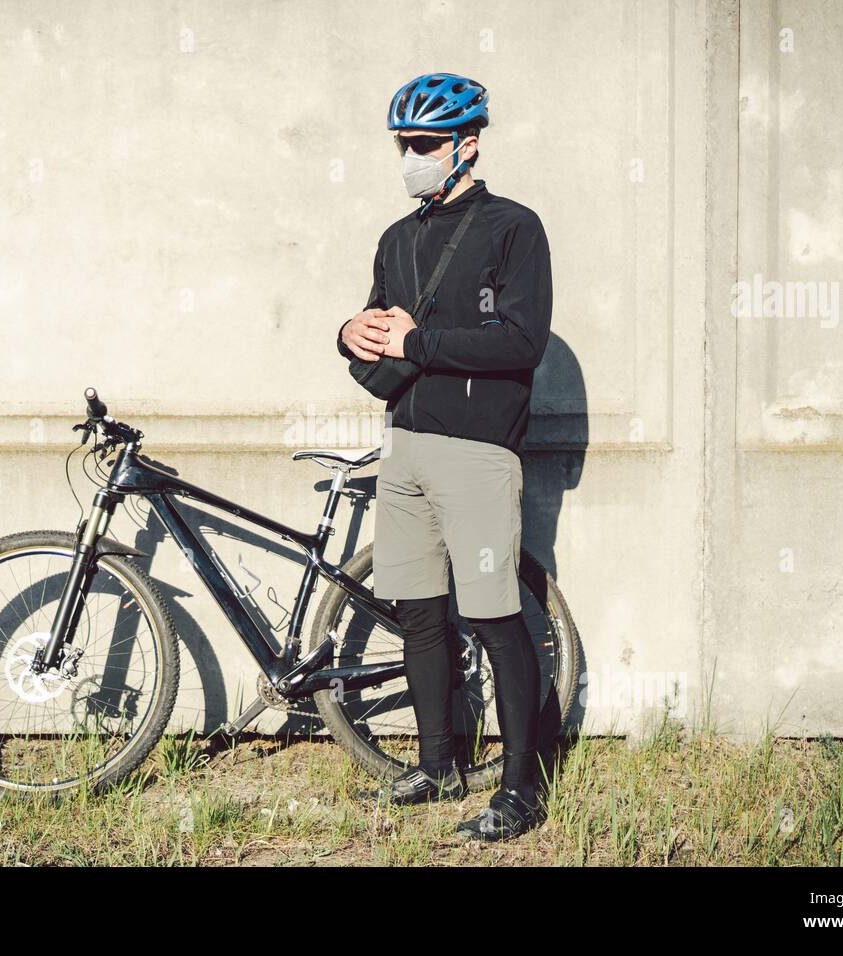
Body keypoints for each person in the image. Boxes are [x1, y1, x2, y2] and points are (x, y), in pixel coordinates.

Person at [336, 73, 554, 841]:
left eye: (425, 145)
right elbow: (377, 328)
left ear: (467, 143)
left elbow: (522, 342)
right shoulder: (398, 238)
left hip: (477, 452)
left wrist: (417, 343)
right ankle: (438, 765)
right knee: (418, 614)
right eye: (404, 145)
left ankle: (523, 787)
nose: (411, 158)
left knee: (495, 617)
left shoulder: (513, 228)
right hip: (405, 447)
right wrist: (349, 336)